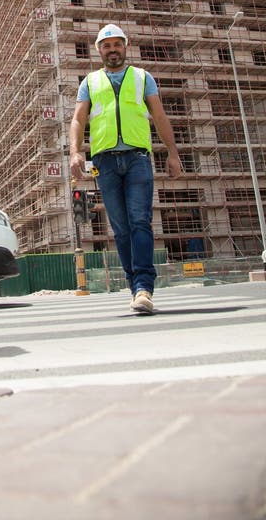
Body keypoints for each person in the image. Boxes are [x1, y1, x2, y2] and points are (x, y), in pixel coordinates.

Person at [69, 24, 181, 314]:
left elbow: (159, 115)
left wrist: (173, 153)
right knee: (120, 229)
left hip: (137, 159)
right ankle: (135, 287)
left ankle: (144, 286)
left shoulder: (143, 78)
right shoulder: (90, 82)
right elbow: (78, 121)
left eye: (117, 44)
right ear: (99, 51)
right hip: (104, 162)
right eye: (106, 46)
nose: (112, 49)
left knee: (140, 221)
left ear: (125, 46)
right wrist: (75, 152)